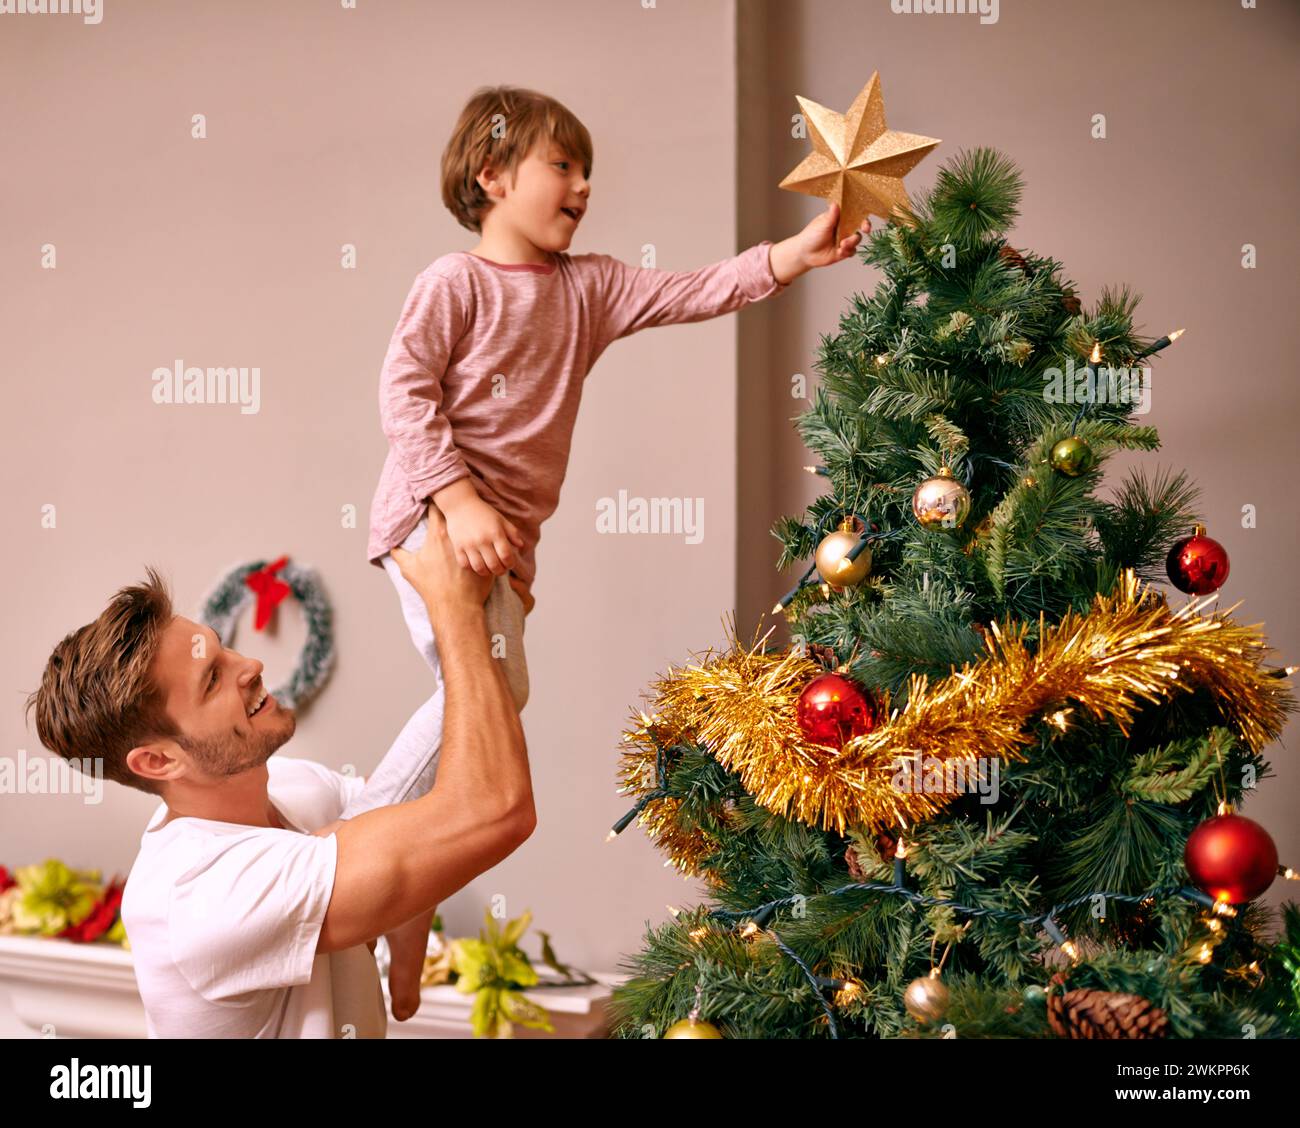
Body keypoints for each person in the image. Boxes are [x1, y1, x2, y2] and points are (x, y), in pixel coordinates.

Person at [364, 84, 871, 840]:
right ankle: (360, 833)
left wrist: (791, 256)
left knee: (486, 704)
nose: (584, 185)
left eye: (587, 171)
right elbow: (403, 392)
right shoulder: (454, 282)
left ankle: (398, 871)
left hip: (505, 546)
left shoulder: (586, 288)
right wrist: (460, 501)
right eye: (562, 165)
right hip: (434, 521)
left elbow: (691, 291)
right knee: (491, 691)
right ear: (492, 176)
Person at [24, 504, 533, 1038]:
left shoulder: (296, 788)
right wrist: (453, 612)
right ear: (158, 760)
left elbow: (458, 762)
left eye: (226, 651)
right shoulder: (199, 894)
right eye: (212, 680)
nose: (252, 666)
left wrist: (492, 622)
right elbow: (495, 809)